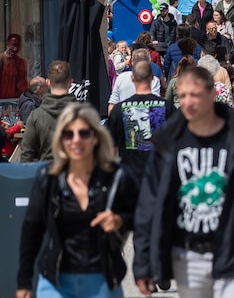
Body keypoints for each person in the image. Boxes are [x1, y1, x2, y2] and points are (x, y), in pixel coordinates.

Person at [133, 64, 234, 297]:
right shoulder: (168, 142)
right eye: (183, 95)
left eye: (195, 95)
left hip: (233, 252)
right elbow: (149, 204)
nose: (188, 102)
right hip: (187, 257)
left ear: (211, 95)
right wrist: (143, 261)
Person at [18, 102, 137, 298]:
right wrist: (24, 281)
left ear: (96, 137)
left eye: (84, 133)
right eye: (68, 134)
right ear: (61, 139)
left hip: (102, 280)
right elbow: (32, 231)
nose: (76, 140)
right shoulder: (48, 179)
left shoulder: (116, 176)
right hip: (55, 282)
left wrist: (120, 220)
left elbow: (143, 216)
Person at [106, 61, 174, 182]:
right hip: (159, 176)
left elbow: (112, 148)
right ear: (153, 77)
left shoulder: (119, 109)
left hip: (129, 177)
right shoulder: (167, 107)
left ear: (132, 78)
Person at [20, 61, 76, 163]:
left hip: (47, 173)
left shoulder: (36, 116)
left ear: (48, 83)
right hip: (76, 175)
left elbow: (26, 155)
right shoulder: (84, 114)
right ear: (70, 83)